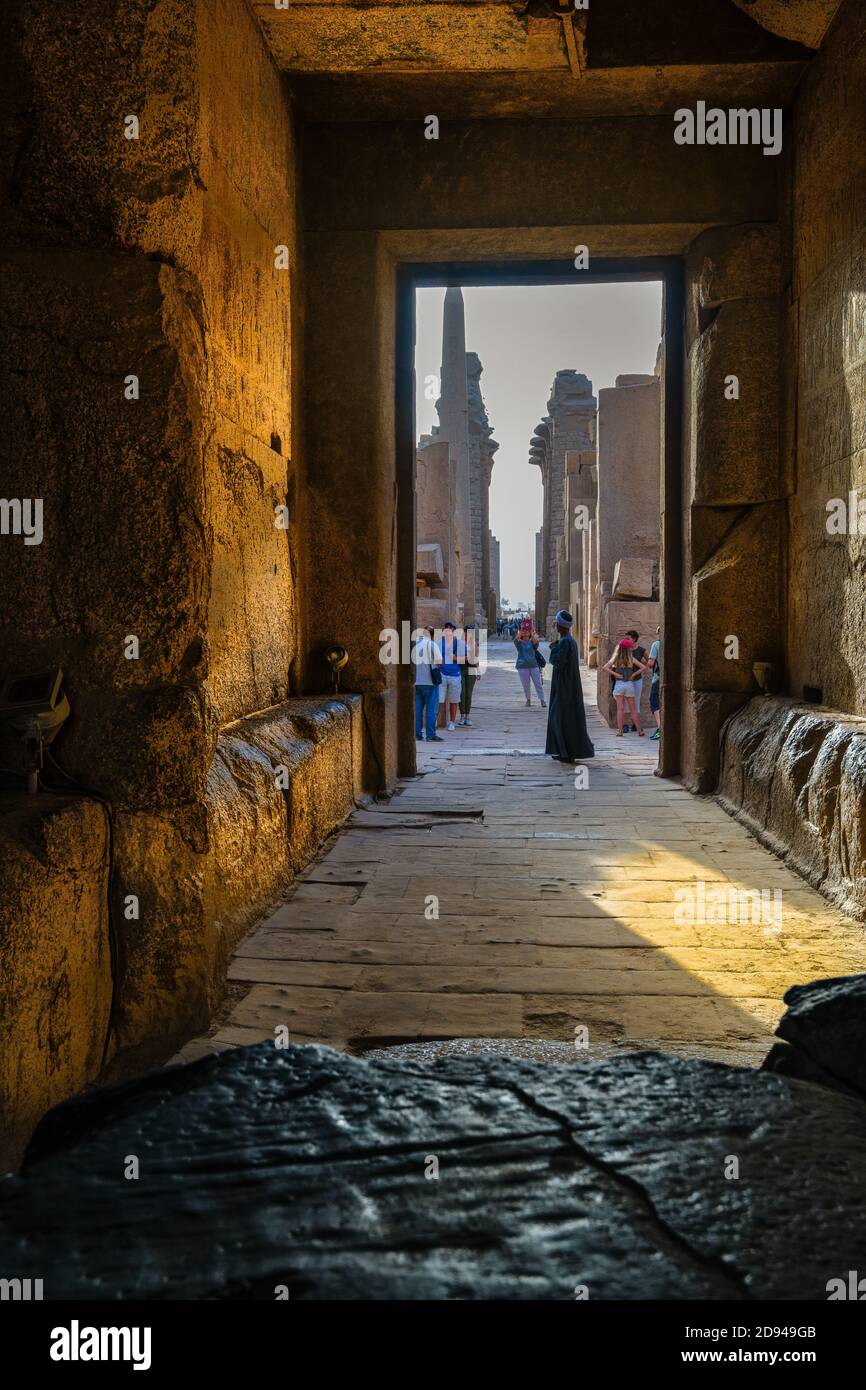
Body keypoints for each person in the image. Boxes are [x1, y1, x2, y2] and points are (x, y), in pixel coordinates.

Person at [545, 610, 594, 762]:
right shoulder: (569, 641)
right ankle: (566, 752)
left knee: (559, 717)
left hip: (564, 686)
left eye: (557, 624)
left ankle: (565, 753)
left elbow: (558, 662)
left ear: (561, 626)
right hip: (568, 684)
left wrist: (553, 649)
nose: (556, 627)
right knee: (567, 719)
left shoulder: (566, 642)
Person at [603, 636, 648, 737]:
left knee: (620, 709)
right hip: (629, 685)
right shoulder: (631, 658)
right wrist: (633, 675)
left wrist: (616, 675)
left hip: (619, 685)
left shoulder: (616, 659)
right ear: (628, 649)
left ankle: (620, 731)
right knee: (633, 710)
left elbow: (605, 667)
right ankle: (640, 731)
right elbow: (644, 667)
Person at [414, 626, 443, 742]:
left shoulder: (413, 644)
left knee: (417, 710)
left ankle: (417, 734)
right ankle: (430, 734)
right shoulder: (431, 644)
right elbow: (440, 661)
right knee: (431, 709)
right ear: (431, 635)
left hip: (416, 682)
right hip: (430, 682)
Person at [438, 621, 465, 731]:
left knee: (454, 700)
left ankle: (452, 722)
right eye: (446, 628)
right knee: (439, 700)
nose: (448, 630)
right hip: (442, 674)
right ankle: (437, 721)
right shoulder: (439, 642)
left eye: (450, 628)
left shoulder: (459, 643)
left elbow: (468, 658)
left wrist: (456, 659)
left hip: (455, 675)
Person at [513, 618, 545, 707]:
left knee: (537, 683)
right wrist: (521, 629)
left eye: (527, 631)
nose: (526, 632)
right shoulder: (519, 643)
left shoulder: (532, 642)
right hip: (522, 666)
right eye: (524, 631)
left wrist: (531, 629)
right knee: (526, 684)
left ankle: (542, 700)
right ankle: (528, 700)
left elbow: (536, 641)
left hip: (533, 665)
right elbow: (515, 640)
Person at [624, 628, 649, 733]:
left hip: (637, 680)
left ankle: (634, 724)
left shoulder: (641, 650)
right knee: (625, 701)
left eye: (628, 638)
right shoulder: (624, 649)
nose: (626, 640)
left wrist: (642, 670)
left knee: (636, 701)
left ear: (634, 639)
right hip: (625, 679)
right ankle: (625, 724)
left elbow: (649, 661)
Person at [459, 623, 480, 726]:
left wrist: (478, 671)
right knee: (461, 693)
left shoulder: (474, 643)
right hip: (461, 669)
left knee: (468, 694)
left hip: (471, 669)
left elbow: (476, 657)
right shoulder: (459, 643)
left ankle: (467, 716)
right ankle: (462, 716)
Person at [647, 626, 661, 740]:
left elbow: (651, 663)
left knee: (655, 702)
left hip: (658, 678)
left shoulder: (656, 644)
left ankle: (661, 728)